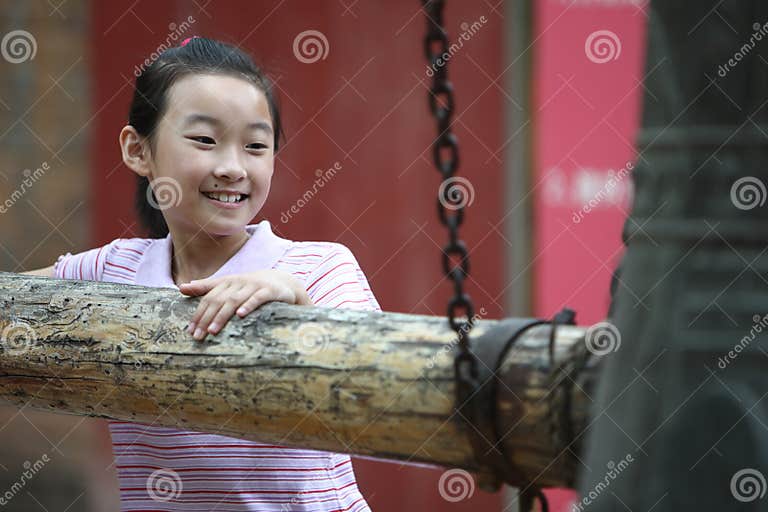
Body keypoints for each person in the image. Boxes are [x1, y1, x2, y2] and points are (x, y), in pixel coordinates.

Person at [24, 36, 378, 512]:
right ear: (138, 150)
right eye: (205, 141)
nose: (232, 167)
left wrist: (299, 305)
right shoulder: (114, 270)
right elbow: (12, 303)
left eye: (256, 146)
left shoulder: (319, 269)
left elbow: (375, 392)